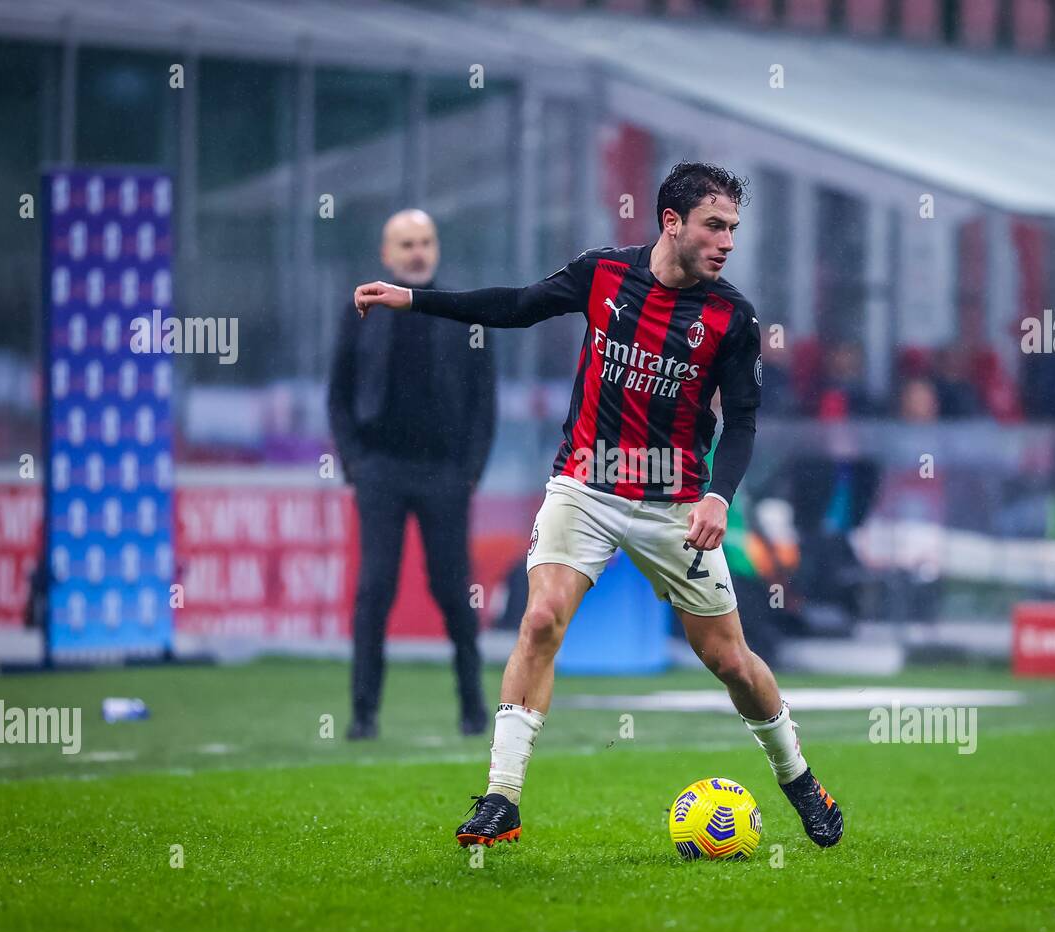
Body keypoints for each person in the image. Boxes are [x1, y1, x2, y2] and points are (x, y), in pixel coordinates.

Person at [353, 163, 843, 850]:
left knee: (731, 661)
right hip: (585, 484)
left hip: (674, 504)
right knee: (542, 617)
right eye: (715, 225)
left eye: (733, 227)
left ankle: (800, 781)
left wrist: (717, 495)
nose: (727, 240)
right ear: (670, 221)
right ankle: (502, 799)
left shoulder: (732, 316)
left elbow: (746, 423)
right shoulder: (605, 274)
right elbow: (517, 305)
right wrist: (416, 299)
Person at [328, 209, 495, 740]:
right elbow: (338, 393)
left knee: (451, 590)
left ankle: (473, 710)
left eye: (425, 242)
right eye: (406, 244)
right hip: (379, 469)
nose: (417, 252)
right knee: (375, 588)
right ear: (387, 254)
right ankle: (362, 715)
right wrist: (354, 461)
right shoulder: (361, 312)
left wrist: (470, 471)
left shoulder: (462, 313)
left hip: (445, 473)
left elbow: (484, 403)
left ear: (436, 248)